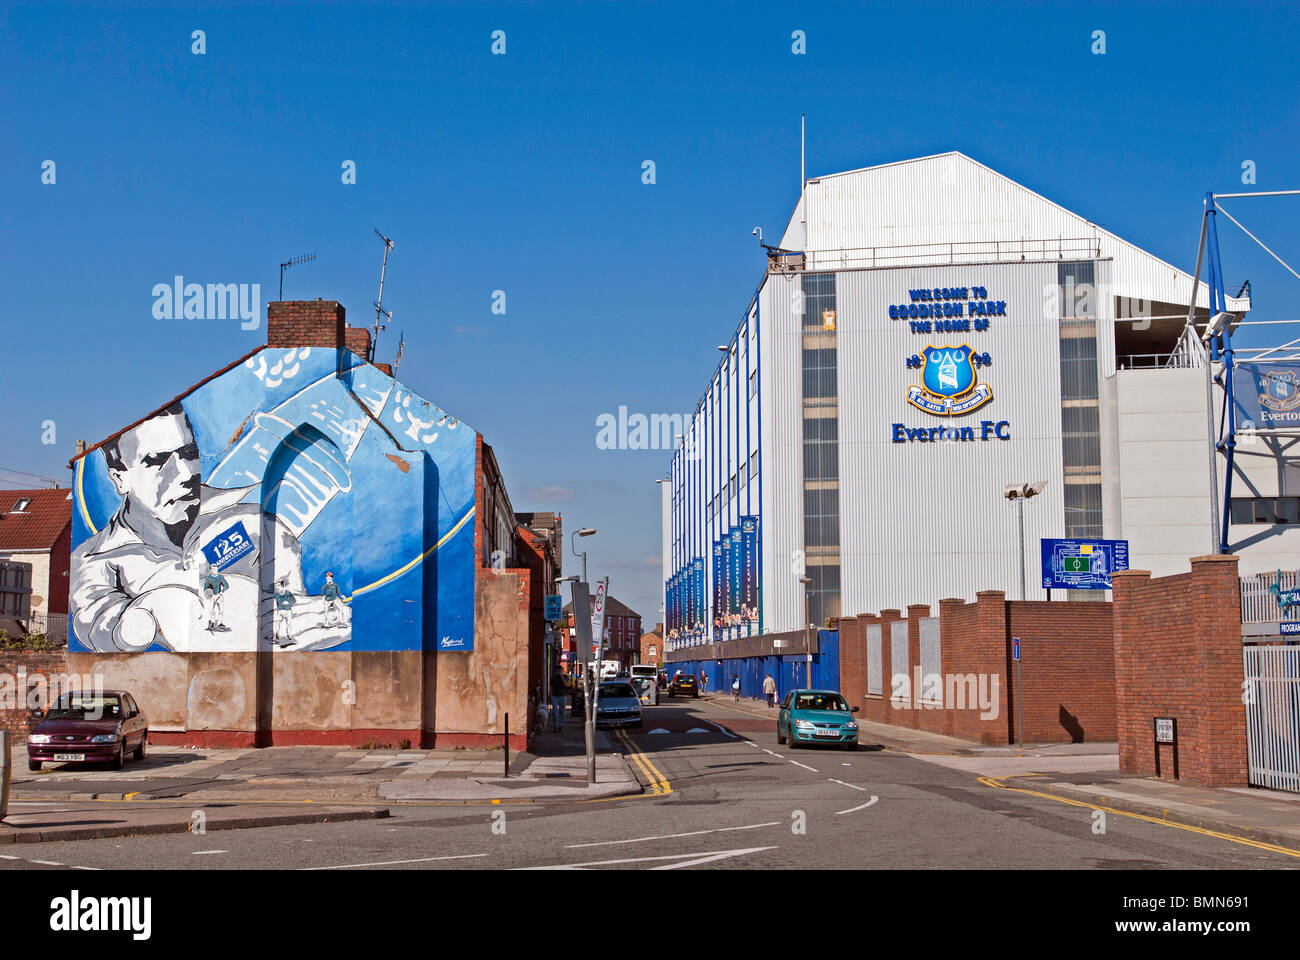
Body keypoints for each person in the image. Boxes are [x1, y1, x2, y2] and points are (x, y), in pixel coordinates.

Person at [550, 667, 568, 732]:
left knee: (562, 711)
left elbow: (566, 684)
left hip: (563, 696)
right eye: (559, 670)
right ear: (557, 671)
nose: (560, 671)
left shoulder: (565, 677)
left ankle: (561, 725)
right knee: (555, 712)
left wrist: (562, 677)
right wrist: (550, 695)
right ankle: (555, 726)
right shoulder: (553, 678)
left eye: (561, 670)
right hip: (555, 696)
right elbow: (551, 687)